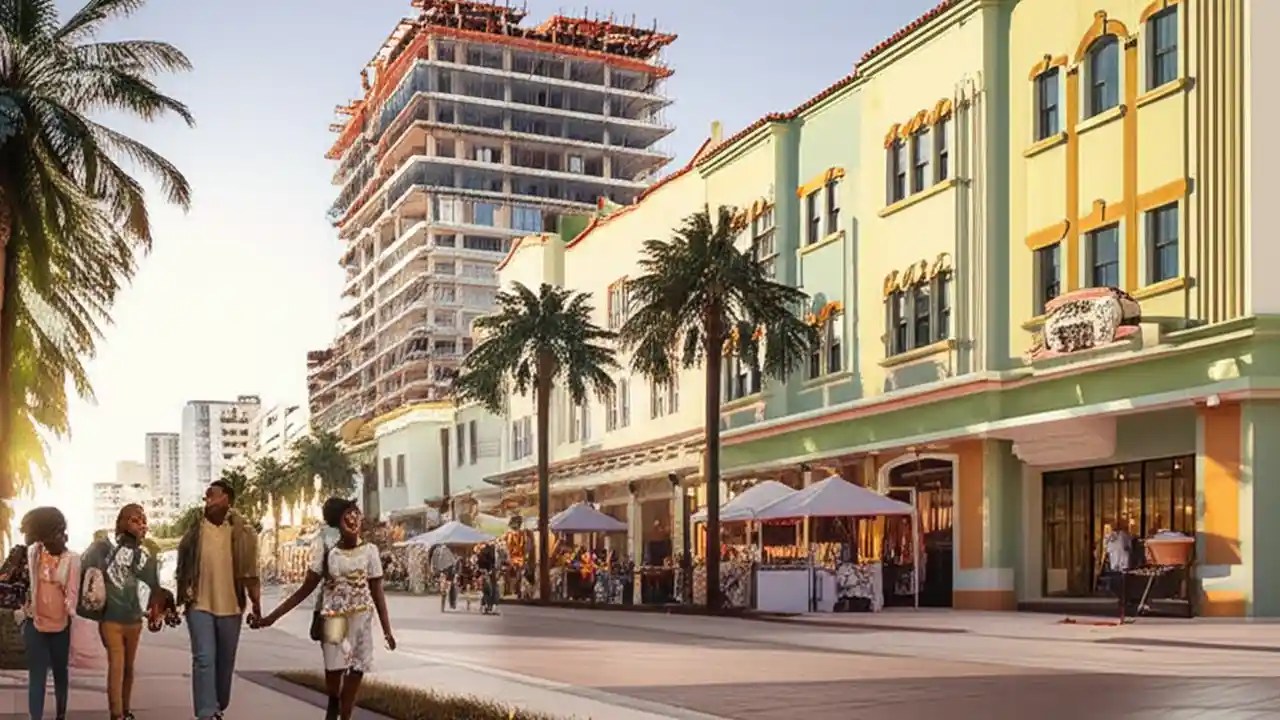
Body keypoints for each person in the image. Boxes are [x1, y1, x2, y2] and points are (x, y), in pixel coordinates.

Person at [259, 498, 395, 720]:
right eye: (347, 518)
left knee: (357, 668)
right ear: (337, 524)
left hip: (361, 618)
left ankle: (345, 712)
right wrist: (271, 618)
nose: (353, 521)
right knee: (334, 672)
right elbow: (304, 590)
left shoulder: (370, 552)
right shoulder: (328, 552)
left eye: (356, 515)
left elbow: (378, 593)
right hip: (333, 619)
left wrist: (387, 630)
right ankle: (334, 702)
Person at [174, 479, 262, 720]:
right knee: (204, 658)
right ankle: (206, 712)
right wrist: (180, 599)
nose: (208, 500)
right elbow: (182, 570)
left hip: (231, 607)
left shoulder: (242, 534)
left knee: (224, 664)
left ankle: (217, 704)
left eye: (212, 495)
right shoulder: (194, 533)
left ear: (227, 499)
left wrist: (257, 606)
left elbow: (251, 572)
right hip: (199, 605)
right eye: (206, 496)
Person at [81, 504, 161, 720]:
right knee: (117, 664)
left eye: (143, 520)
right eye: (134, 520)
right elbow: (87, 571)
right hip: (110, 620)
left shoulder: (147, 554)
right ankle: (116, 713)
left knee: (128, 667)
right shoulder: (104, 550)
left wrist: (156, 612)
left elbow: (154, 587)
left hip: (134, 619)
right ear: (122, 523)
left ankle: (125, 709)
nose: (141, 524)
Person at [19, 507, 79, 720]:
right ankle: (35, 717)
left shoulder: (71, 559)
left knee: (61, 674)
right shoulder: (34, 552)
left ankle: (60, 714)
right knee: (37, 676)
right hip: (35, 624)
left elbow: (72, 595)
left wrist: (69, 609)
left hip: (61, 625)